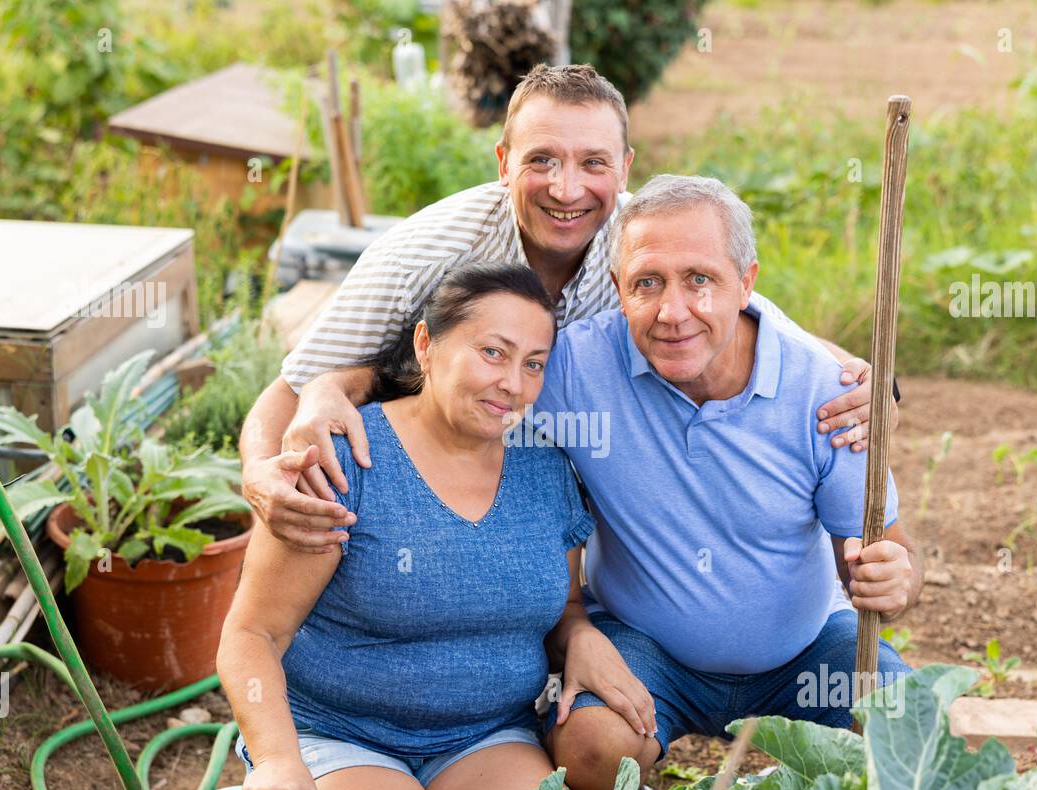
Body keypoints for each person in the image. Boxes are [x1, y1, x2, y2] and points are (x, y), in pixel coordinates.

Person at [239, 63, 893, 555]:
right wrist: (262, 476)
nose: (567, 189)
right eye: (542, 160)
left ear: (626, 167)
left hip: (564, 479)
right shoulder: (426, 250)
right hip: (434, 468)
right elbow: (285, 394)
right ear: (503, 163)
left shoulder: (645, 246)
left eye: (593, 163)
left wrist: (870, 386)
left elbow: (751, 321)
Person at [528, 175, 925, 790]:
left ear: (747, 282)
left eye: (700, 280)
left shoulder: (827, 393)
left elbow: (888, 554)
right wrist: (331, 394)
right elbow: (457, 395)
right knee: (589, 748)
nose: (672, 311)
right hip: (645, 643)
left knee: (906, 734)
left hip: (804, 647)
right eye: (647, 283)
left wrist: (890, 578)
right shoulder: (575, 369)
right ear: (617, 291)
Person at [218, 263, 596, 790]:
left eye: (533, 363)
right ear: (426, 344)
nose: (513, 385)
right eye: (493, 353)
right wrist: (276, 758)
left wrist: (580, 635)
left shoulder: (545, 470)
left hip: (487, 737)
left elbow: (564, 605)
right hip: (341, 737)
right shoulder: (343, 460)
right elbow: (252, 633)